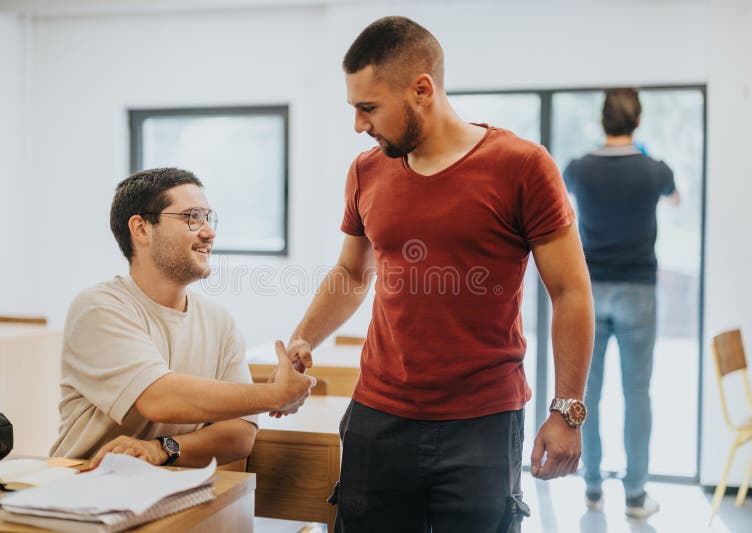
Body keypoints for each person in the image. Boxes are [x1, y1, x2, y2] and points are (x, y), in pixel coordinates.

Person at [277, 16, 594, 532]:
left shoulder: (522, 166)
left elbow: (570, 291)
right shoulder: (366, 171)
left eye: (369, 107)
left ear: (422, 89)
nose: (359, 124)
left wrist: (568, 411)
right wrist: (302, 338)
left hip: (483, 424)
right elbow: (352, 273)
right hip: (378, 416)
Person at [51, 167, 315, 467]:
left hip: (171, 491)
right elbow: (158, 397)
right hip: (84, 486)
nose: (208, 232)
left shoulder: (219, 321)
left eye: (207, 218)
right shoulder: (99, 308)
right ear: (140, 229)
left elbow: (240, 434)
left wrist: (162, 448)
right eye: (191, 217)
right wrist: (274, 395)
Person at [563, 88, 679, 519]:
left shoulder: (578, 169)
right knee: (637, 393)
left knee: (587, 392)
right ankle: (634, 496)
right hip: (638, 292)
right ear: (637, 120)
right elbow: (675, 197)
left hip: (590, 290)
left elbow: (561, 204)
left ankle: (591, 487)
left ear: (602, 120)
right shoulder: (654, 170)